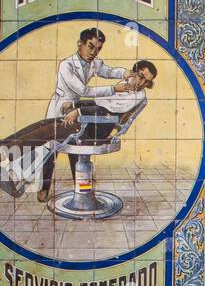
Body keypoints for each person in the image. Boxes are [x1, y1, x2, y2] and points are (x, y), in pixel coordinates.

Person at [0, 61, 156, 200]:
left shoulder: (137, 96)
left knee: (48, 131)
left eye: (146, 81)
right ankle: (3, 146)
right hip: (89, 123)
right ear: (134, 71)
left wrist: (79, 112)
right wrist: (75, 105)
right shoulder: (124, 85)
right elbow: (99, 101)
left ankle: (6, 152)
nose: (142, 83)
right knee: (43, 124)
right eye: (141, 76)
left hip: (96, 129)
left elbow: (107, 112)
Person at [36, 27, 128, 202]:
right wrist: (114, 88)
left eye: (98, 49)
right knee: (51, 151)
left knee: (76, 146)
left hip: (75, 108)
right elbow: (83, 89)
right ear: (80, 44)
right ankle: (43, 188)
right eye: (91, 47)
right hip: (59, 107)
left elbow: (108, 71)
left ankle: (79, 185)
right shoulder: (66, 65)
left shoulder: (94, 63)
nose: (94, 52)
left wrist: (124, 73)